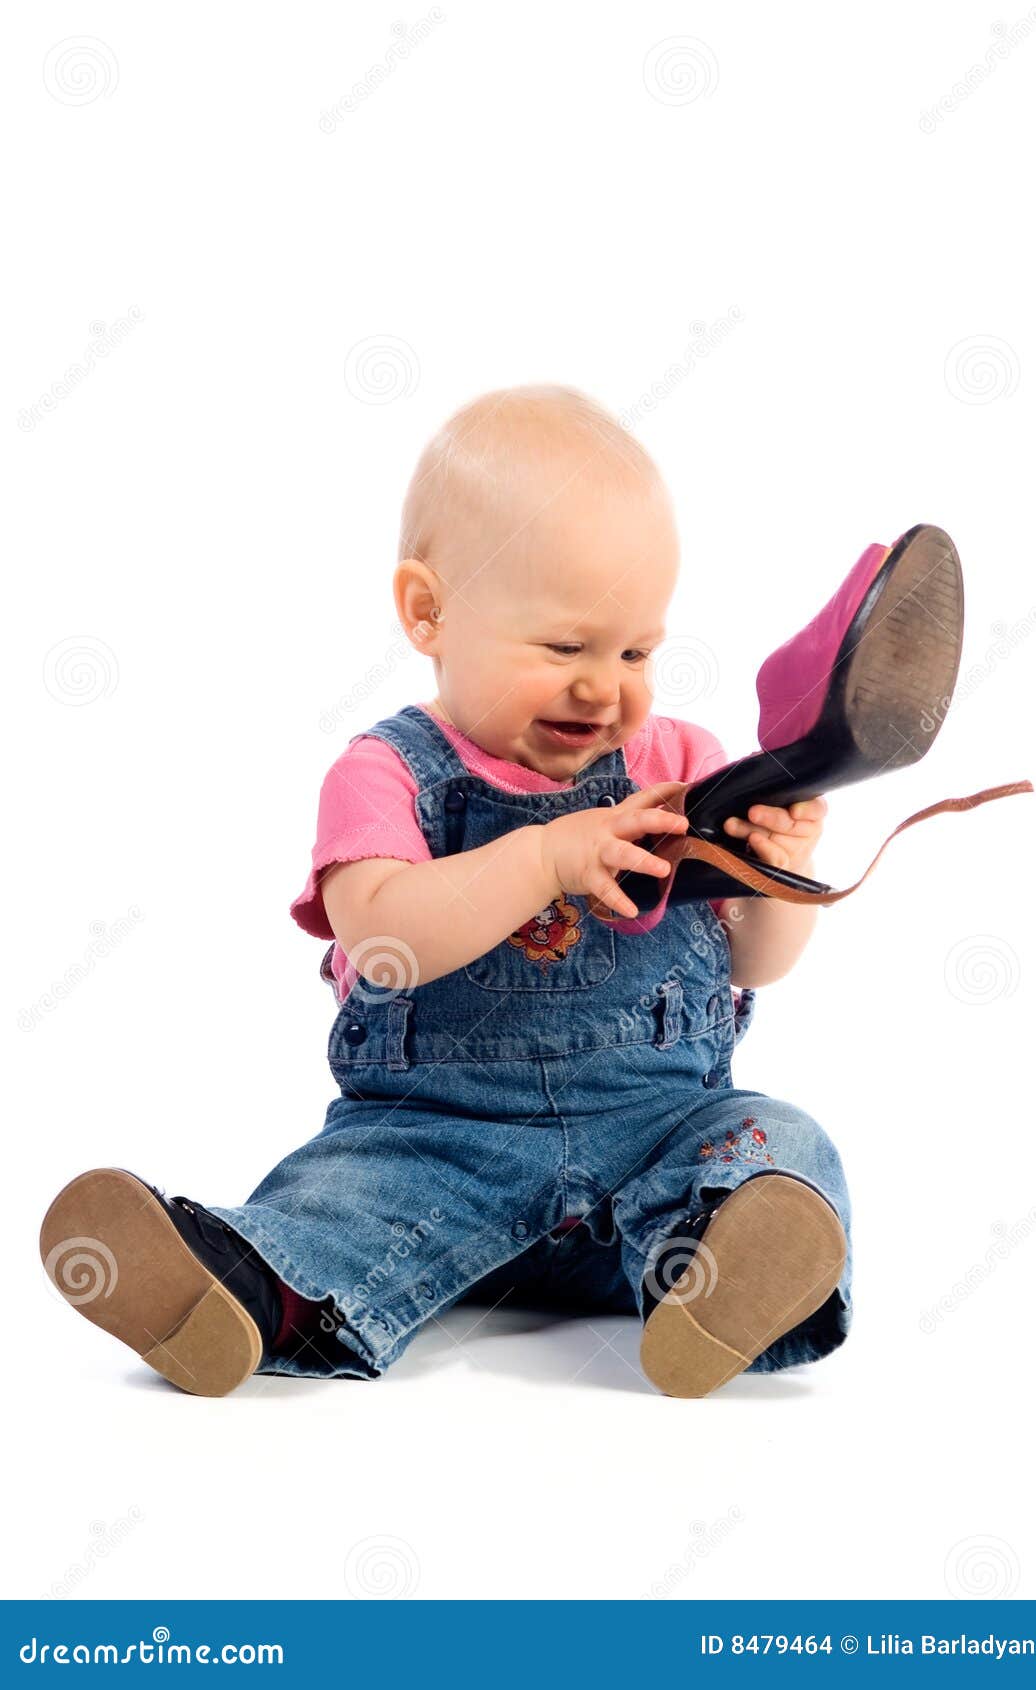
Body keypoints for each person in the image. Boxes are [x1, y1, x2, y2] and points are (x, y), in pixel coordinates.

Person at [39, 384, 850, 1400]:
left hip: (655, 1139)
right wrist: (546, 858)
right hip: (434, 1148)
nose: (605, 686)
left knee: (774, 1141)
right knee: (335, 1202)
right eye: (564, 647)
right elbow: (385, 940)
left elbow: (755, 962)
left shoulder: (680, 765)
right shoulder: (387, 775)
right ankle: (235, 1290)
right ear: (429, 612)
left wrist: (780, 873)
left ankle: (713, 1276)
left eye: (636, 650)